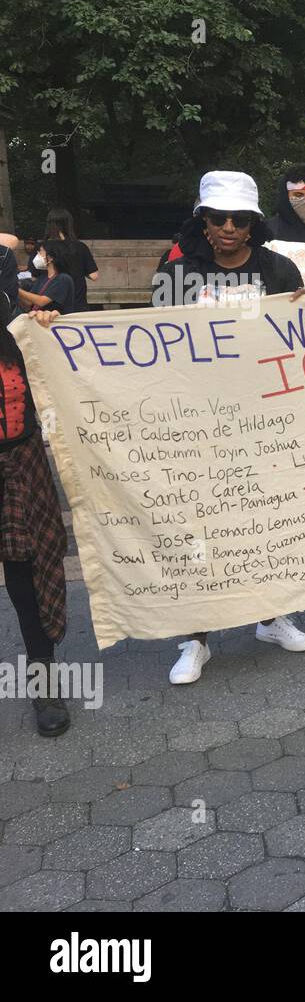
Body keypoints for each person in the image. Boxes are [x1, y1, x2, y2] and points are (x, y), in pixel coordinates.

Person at [154, 170, 305, 682]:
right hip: (198, 417)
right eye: (218, 218)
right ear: (202, 221)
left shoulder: (278, 270)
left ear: (252, 225)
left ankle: (270, 617)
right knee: (201, 526)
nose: (228, 228)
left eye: (239, 220)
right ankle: (196, 638)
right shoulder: (176, 271)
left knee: (266, 521)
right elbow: (153, 342)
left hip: (265, 415)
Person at [1, 308, 72, 736]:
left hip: (22, 465)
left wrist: (50, 325)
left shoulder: (18, 336)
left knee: (29, 574)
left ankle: (43, 684)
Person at [43, 208, 98, 312]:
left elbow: (34, 277)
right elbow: (94, 276)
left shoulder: (43, 247)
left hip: (50, 308)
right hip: (78, 305)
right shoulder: (80, 247)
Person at [18, 240, 76, 313]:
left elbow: (41, 301)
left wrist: (17, 290)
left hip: (55, 322)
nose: (37, 254)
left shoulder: (63, 279)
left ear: (50, 258)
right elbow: (29, 302)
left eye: (41, 252)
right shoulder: (43, 277)